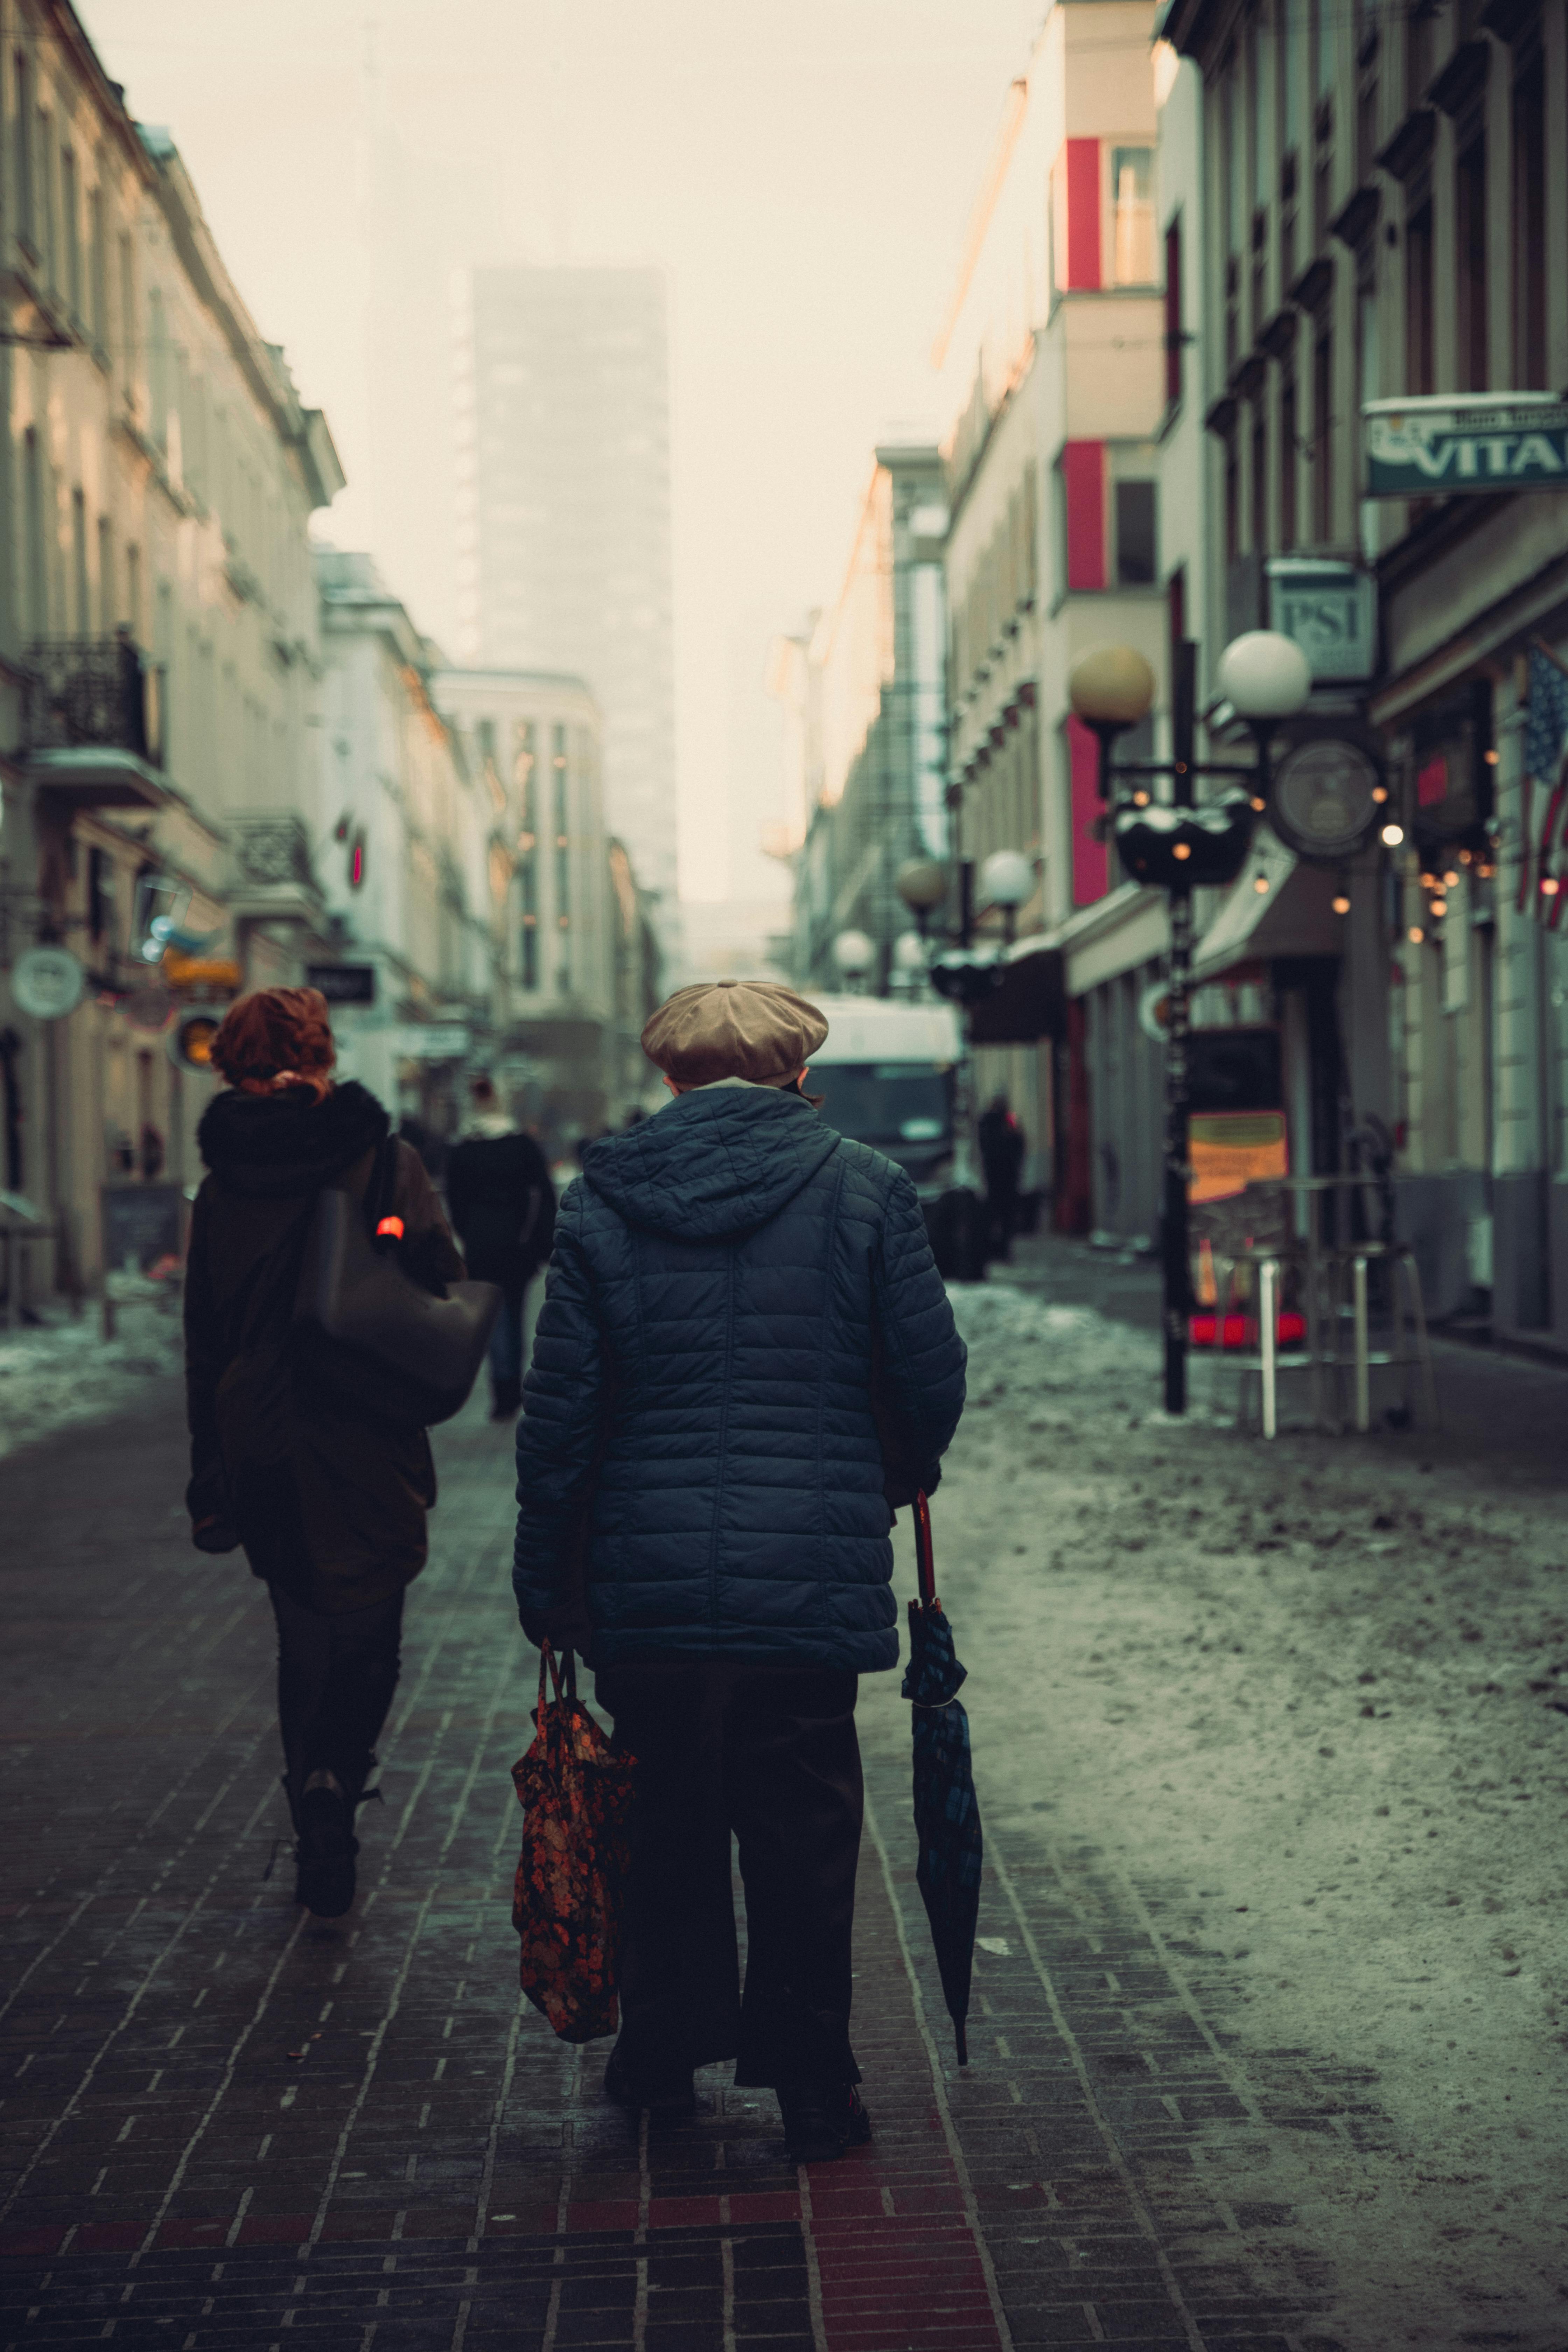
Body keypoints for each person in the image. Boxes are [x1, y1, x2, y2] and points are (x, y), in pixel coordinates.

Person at [513, 979, 967, 2163]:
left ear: (668, 1077)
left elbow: (560, 1415)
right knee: (807, 1838)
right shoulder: (867, 1190)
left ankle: (662, 2055)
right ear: (795, 1075)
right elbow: (930, 1378)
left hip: (647, 1593)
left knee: (665, 1825)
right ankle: (816, 2085)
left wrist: (545, 1582)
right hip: (805, 1588)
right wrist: (877, 1478)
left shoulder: (602, 1204)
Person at [183, 986, 465, 1917]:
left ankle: (315, 1805)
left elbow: (205, 1336)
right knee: (371, 1631)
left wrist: (208, 1472)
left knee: (300, 1623)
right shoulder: (383, 1159)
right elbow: (439, 1276)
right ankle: (340, 1774)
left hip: (258, 1429)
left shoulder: (222, 1183)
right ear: (321, 1052)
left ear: (232, 1065)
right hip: (364, 1424)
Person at [444, 1076, 556, 1421]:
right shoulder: (522, 1147)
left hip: (481, 1247)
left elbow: (455, 1203)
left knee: (493, 1320)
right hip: (517, 1246)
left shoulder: (463, 1151)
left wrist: (470, 1236)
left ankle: (501, 1389)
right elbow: (543, 1197)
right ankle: (513, 1389)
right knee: (516, 1315)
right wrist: (541, 1245)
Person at [977, 1092, 1026, 1261]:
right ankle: (998, 1250)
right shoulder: (995, 1123)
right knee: (1001, 1217)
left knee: (999, 1217)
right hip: (1001, 1177)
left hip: (1000, 1177)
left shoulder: (999, 1122)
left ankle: (998, 1250)